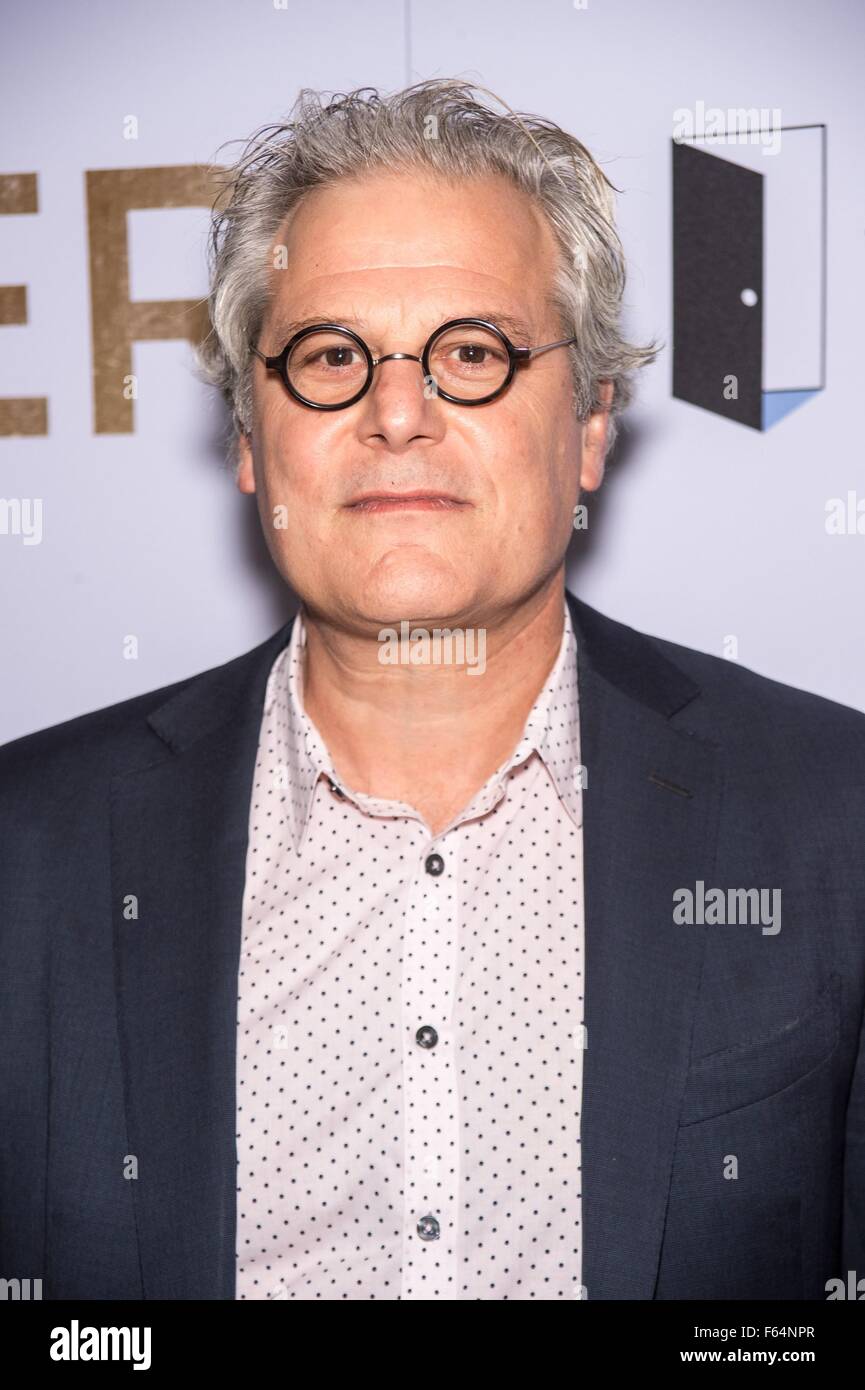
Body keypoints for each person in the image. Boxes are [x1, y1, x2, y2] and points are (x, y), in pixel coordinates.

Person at [1, 79, 863, 1302]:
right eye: (329, 356)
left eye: (473, 351)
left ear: (589, 430)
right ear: (252, 439)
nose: (397, 413)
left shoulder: (832, 815)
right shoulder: (28, 848)